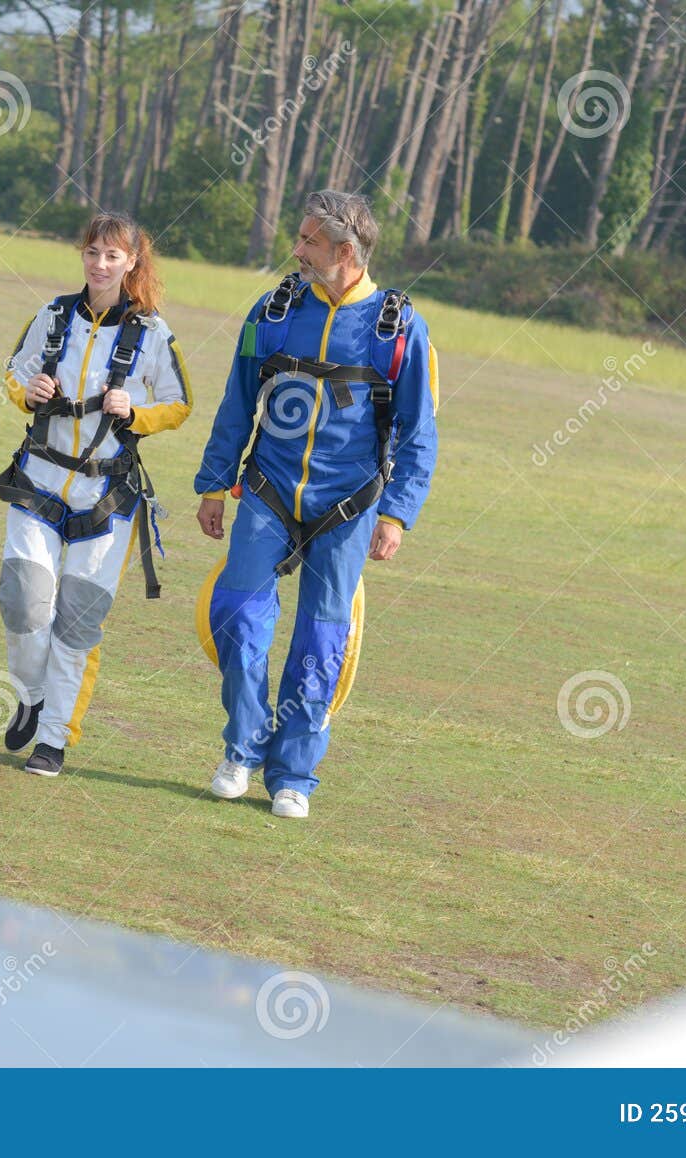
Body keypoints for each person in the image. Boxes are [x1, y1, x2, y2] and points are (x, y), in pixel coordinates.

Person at [192, 190, 438, 818]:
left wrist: (396, 514)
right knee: (236, 615)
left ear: (345, 251)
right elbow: (236, 401)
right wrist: (214, 484)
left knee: (321, 639)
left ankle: (293, 775)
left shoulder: (399, 326)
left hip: (350, 504)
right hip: (269, 489)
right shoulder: (273, 309)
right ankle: (241, 751)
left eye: (307, 241)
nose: (295, 250)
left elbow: (418, 431)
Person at [0, 211, 193, 777]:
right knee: (23, 600)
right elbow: (14, 370)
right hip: (39, 481)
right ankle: (31, 696)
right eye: (91, 253)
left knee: (79, 619)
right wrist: (27, 392)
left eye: (112, 255)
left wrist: (136, 412)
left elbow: (178, 404)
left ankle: (54, 738)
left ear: (132, 261)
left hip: (106, 496)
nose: (99, 264)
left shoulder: (153, 333)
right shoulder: (53, 315)